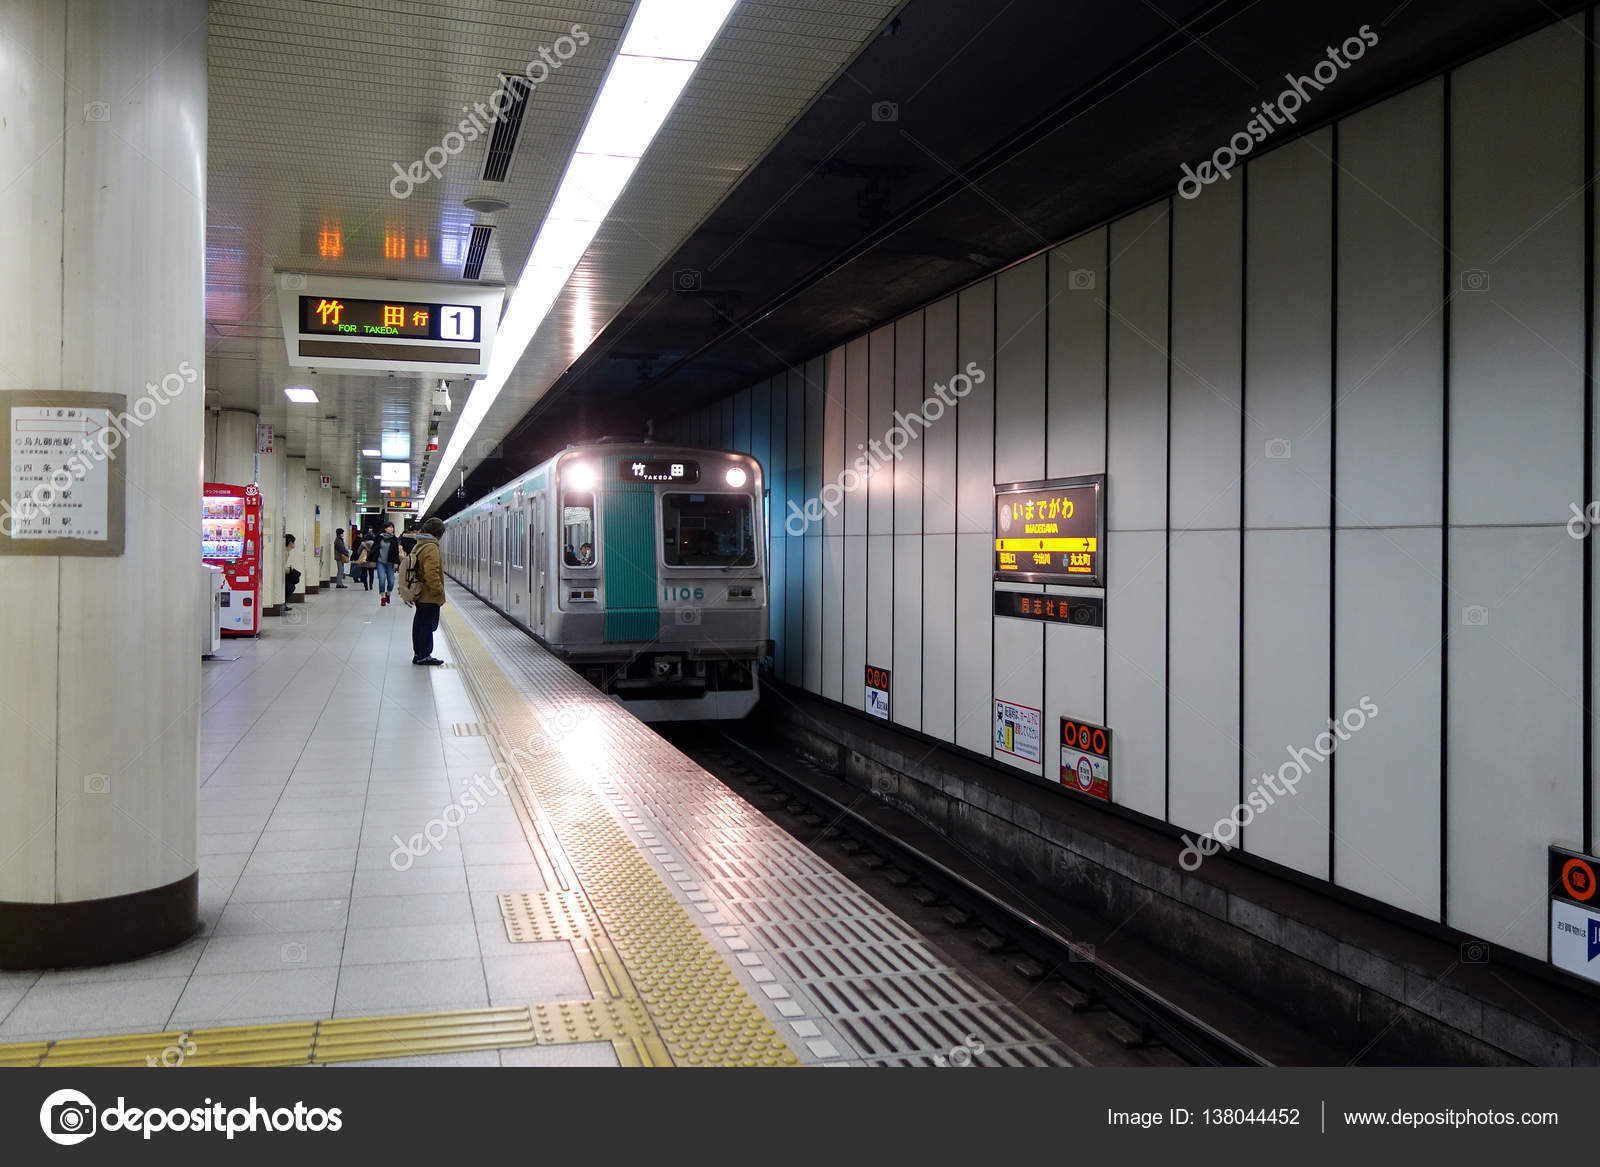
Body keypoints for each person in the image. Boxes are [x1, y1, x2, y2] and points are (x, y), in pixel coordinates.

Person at [409, 517, 447, 666]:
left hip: (420, 592)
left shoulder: (419, 545)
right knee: (427, 625)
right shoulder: (431, 547)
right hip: (428, 594)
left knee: (419, 623)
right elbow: (431, 572)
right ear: (439, 533)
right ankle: (424, 655)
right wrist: (438, 590)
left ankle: (419, 653)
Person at [374, 521, 401, 606]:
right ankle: (382, 597)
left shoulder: (394, 539)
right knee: (381, 578)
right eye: (389, 527)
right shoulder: (379, 538)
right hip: (380, 562)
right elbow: (374, 548)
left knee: (391, 581)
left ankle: (388, 593)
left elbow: (396, 552)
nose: (391, 529)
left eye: (392, 527)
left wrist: (396, 562)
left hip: (390, 562)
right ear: (385, 528)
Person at [283, 533, 300, 600]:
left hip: (284, 572)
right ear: (290, 543)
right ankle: (284, 601)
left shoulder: (287, 551)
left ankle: (284, 601)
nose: (294, 544)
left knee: (296, 575)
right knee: (291, 586)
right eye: (294, 542)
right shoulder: (284, 552)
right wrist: (289, 569)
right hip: (282, 574)